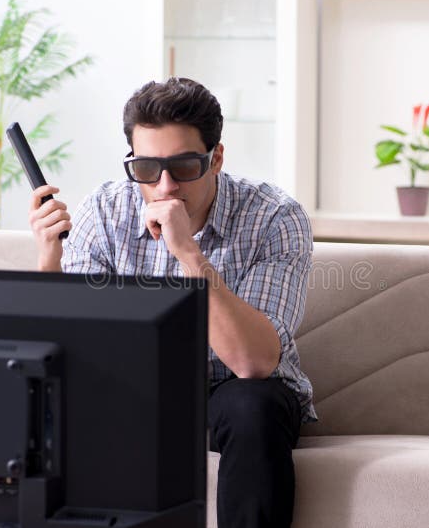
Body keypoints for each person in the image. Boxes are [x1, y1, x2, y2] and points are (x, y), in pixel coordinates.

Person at [28, 77, 315, 528]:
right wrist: (49, 260)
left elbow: (253, 362)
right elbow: (68, 346)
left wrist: (188, 253)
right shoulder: (104, 212)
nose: (164, 186)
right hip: (133, 389)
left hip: (236, 391)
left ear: (216, 157)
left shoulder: (274, 217)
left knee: (252, 405)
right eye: (146, 168)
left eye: (183, 166)